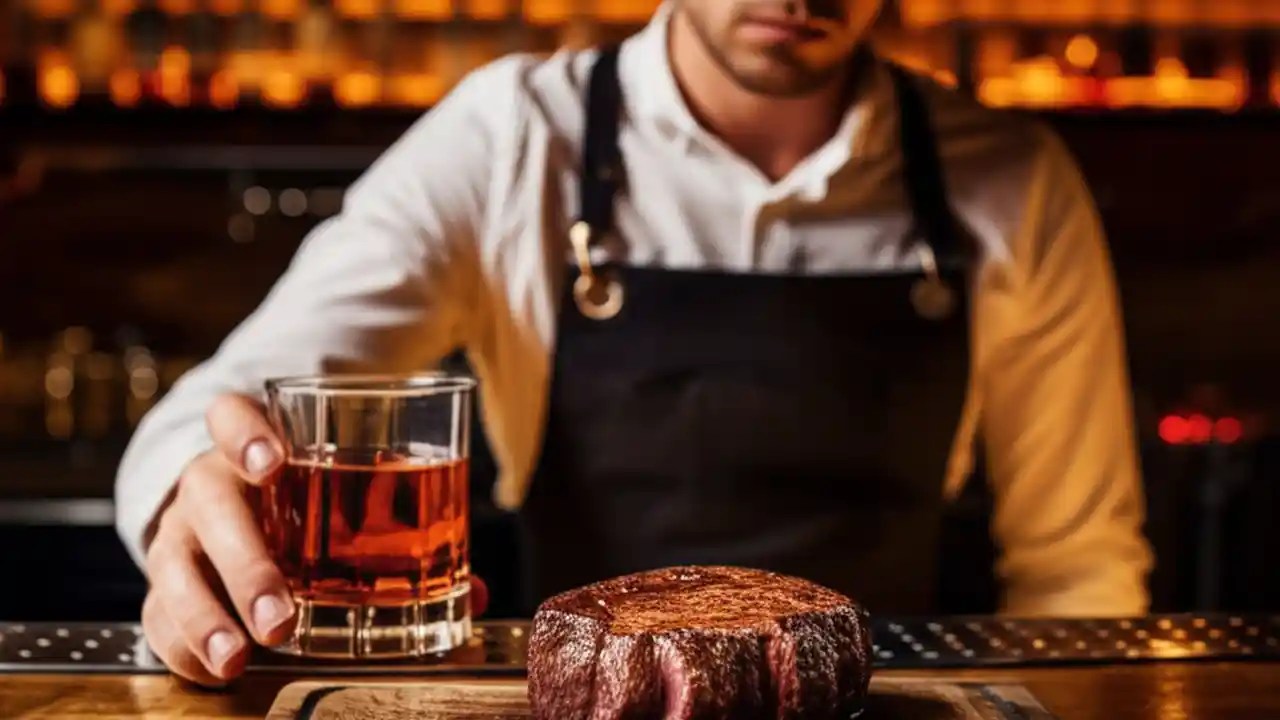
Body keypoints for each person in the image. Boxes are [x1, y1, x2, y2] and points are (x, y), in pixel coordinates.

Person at [115, 0, 1152, 685]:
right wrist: (195, 503)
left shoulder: (1013, 179)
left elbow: (1078, 574)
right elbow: (225, 405)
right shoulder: (514, 135)